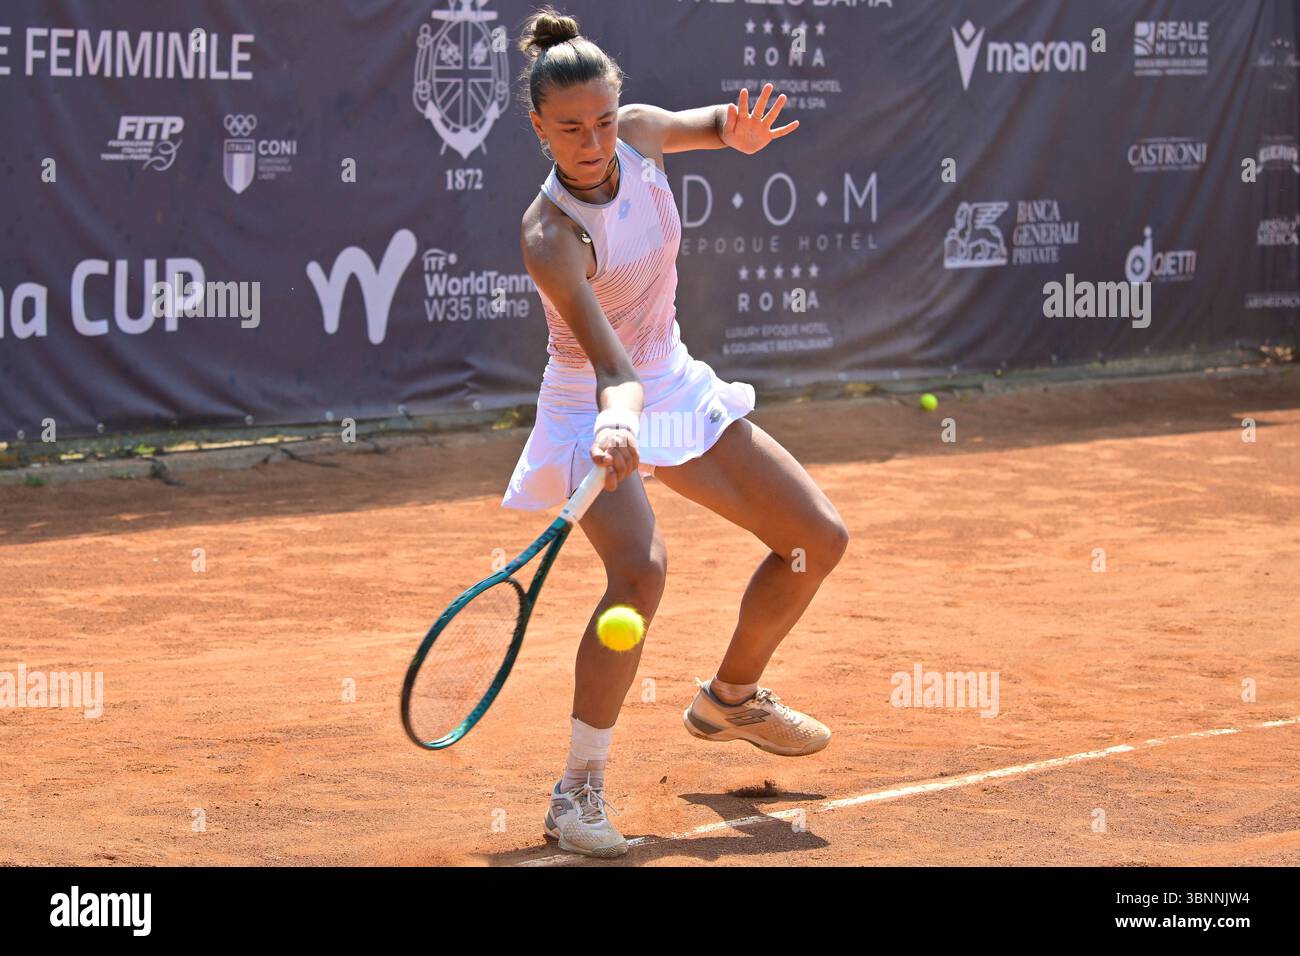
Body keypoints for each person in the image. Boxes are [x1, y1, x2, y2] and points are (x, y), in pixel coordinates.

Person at [505, 6, 849, 858]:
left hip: (672, 381)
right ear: (540, 130)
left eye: (605, 121)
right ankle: (576, 791)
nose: (594, 142)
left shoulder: (640, 137)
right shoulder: (551, 236)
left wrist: (738, 133)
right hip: (591, 399)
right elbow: (609, 372)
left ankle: (731, 698)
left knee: (814, 539)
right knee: (640, 574)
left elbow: (707, 127)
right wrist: (616, 429)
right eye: (571, 129)